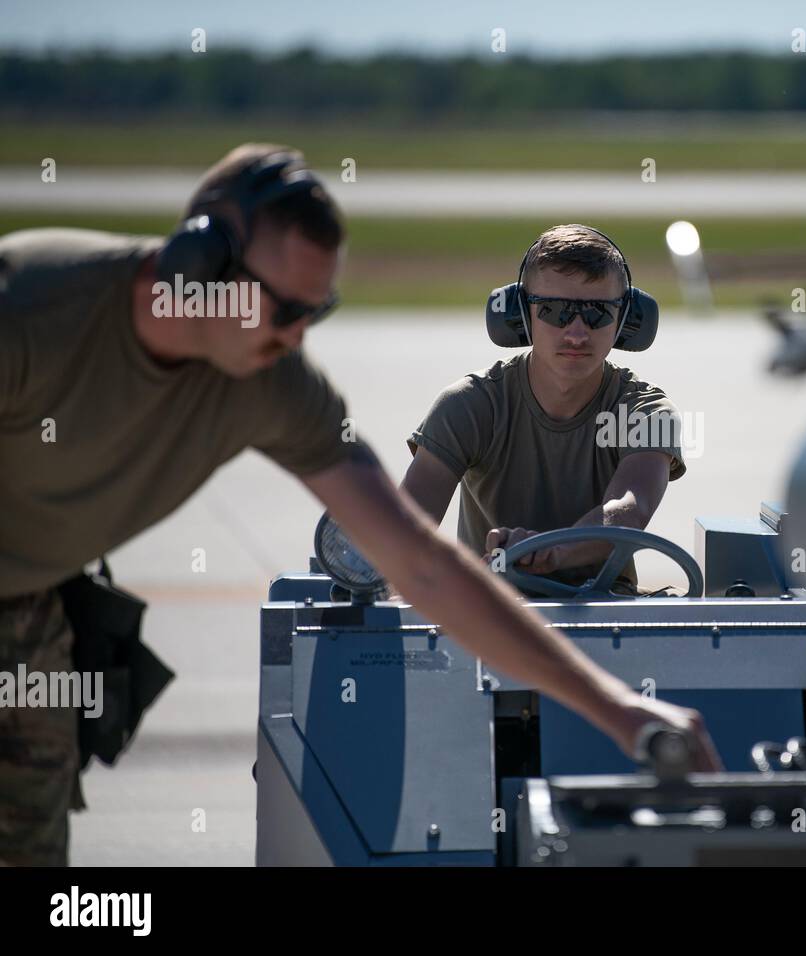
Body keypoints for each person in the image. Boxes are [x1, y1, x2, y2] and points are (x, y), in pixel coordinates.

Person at [0, 144, 720, 866]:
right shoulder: (30, 311)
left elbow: (414, 558)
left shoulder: (273, 379)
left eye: (318, 312)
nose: (298, 337)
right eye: (285, 309)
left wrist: (618, 711)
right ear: (197, 267)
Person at [402, 224, 687, 594]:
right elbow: (406, 527)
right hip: (485, 611)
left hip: (605, 613)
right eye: (554, 311)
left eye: (598, 313)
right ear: (521, 314)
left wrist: (552, 551)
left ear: (627, 319)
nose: (576, 333)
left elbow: (629, 509)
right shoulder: (469, 405)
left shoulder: (646, 411)